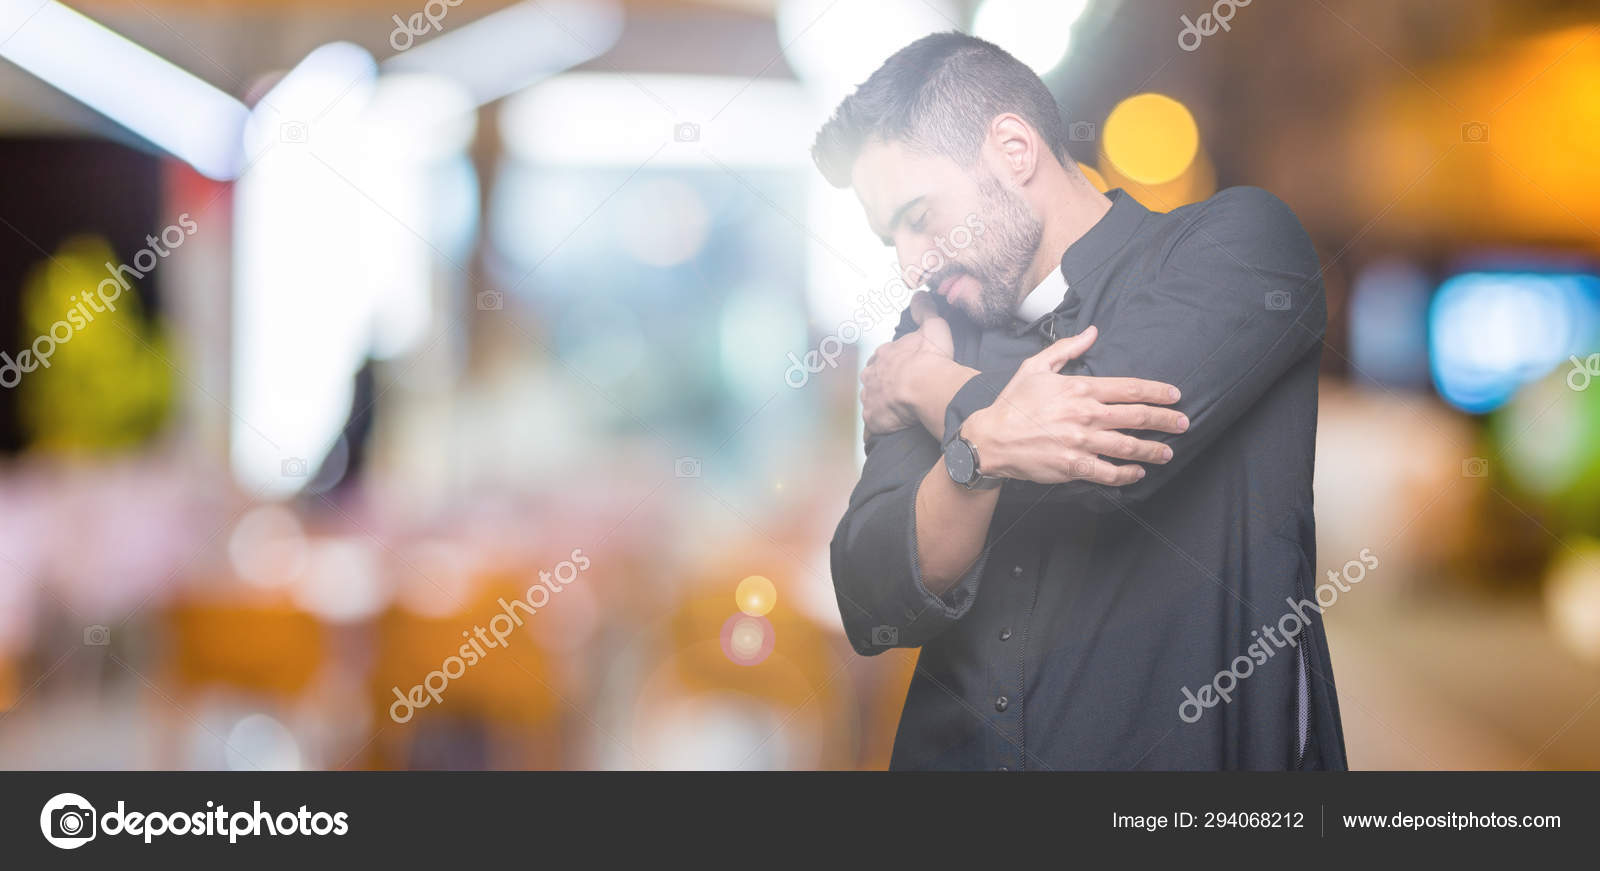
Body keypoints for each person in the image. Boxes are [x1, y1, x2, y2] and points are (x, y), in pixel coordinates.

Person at [815, 32, 1346, 770]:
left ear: (1012, 149)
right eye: (889, 240)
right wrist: (978, 454)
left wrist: (924, 388)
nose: (911, 267)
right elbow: (868, 590)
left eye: (919, 216)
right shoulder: (937, 325)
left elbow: (1103, 450)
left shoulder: (1240, 246)